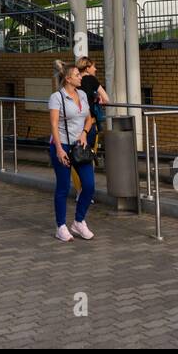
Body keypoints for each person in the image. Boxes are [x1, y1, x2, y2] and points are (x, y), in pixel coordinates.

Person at [49, 62, 95, 243]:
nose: (81, 77)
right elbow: (53, 125)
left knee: (89, 185)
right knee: (63, 187)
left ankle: (78, 221)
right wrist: (59, 149)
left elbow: (89, 119)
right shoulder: (57, 97)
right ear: (68, 79)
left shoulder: (82, 94)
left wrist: (84, 134)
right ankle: (61, 226)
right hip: (62, 146)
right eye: (77, 75)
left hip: (79, 146)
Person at [75, 57, 108, 151]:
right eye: (93, 66)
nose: (95, 69)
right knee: (86, 151)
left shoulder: (76, 81)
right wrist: (99, 99)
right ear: (87, 68)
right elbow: (106, 99)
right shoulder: (91, 79)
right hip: (88, 122)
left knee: (75, 151)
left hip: (75, 121)